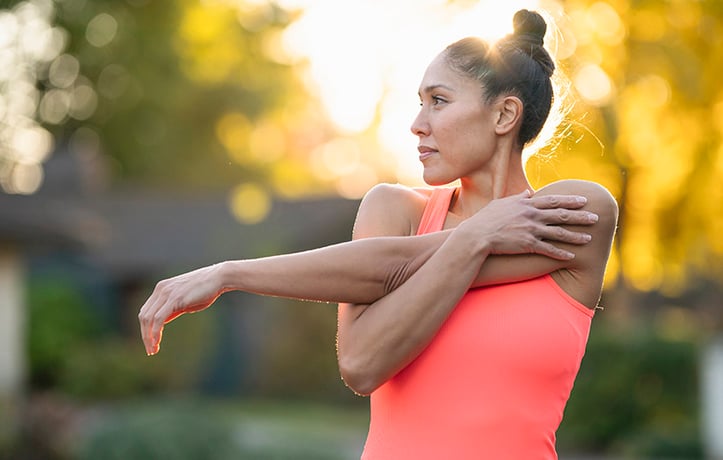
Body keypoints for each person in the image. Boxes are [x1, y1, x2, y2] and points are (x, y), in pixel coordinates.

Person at [138, 9, 618, 459]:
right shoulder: (394, 210)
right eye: (419, 103)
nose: (416, 124)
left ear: (503, 115)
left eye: (439, 101)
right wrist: (228, 273)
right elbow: (362, 366)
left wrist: (476, 238)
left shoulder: (578, 213)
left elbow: (394, 267)